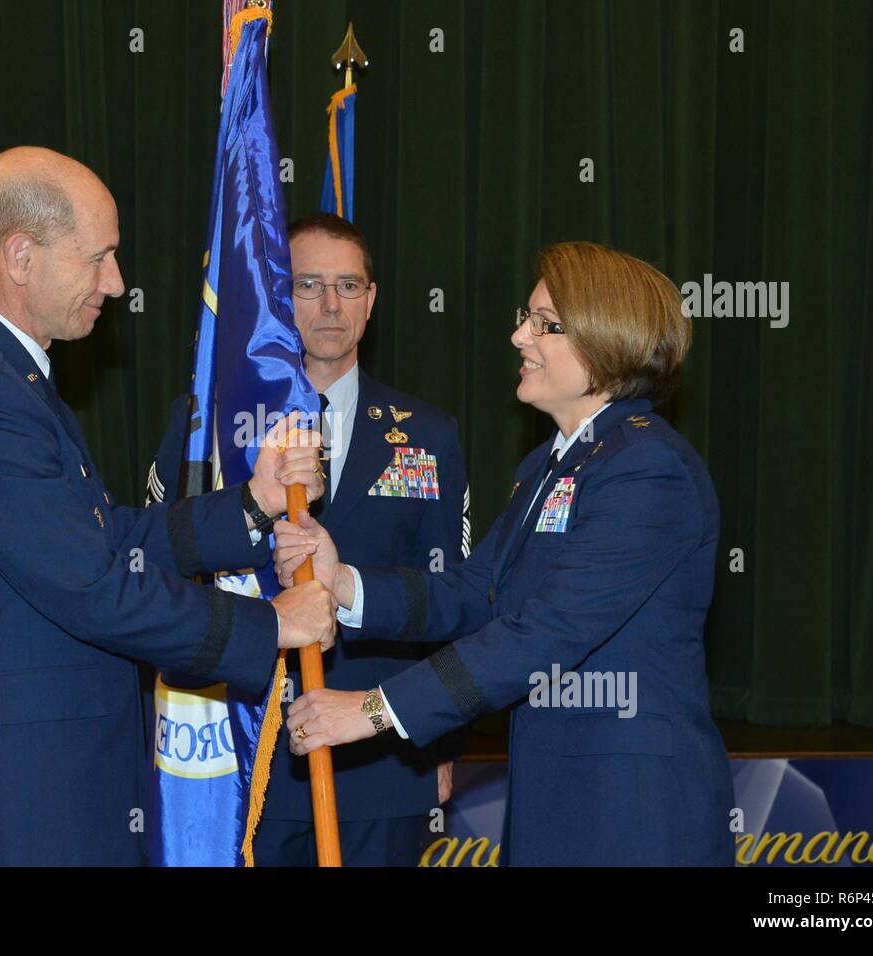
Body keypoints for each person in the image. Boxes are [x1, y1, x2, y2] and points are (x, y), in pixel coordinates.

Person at [0, 147, 335, 865]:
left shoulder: (4, 373)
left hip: (45, 779)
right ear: (21, 255)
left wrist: (250, 506)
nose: (118, 283)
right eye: (99, 258)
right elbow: (94, 587)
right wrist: (270, 625)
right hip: (24, 799)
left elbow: (106, 543)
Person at [276, 241, 735, 866]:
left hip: (631, 811)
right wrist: (344, 582)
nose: (520, 335)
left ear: (608, 339)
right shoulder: (552, 465)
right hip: (560, 795)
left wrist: (373, 710)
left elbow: (547, 631)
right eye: (527, 316)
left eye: (545, 324)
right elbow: (473, 592)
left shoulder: (646, 469)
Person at [146, 213, 470, 866]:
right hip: (238, 752)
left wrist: (440, 733)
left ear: (371, 300)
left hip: (381, 756)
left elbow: (455, 597)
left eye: (349, 286)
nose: (330, 305)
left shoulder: (429, 434)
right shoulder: (205, 425)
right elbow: (158, 568)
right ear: (274, 297)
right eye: (308, 285)